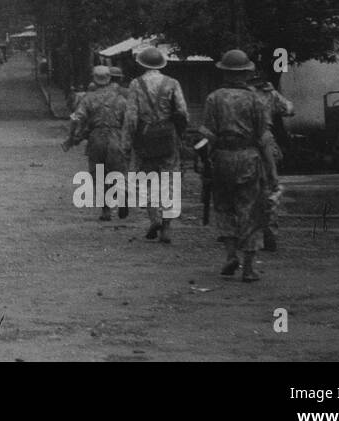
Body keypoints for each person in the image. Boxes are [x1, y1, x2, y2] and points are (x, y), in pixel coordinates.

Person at [198, 50, 270, 282]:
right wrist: (272, 171)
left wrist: (204, 164)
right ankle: (249, 268)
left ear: (224, 72)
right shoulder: (256, 100)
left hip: (221, 158)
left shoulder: (213, 98)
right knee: (250, 209)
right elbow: (263, 137)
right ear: (247, 72)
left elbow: (207, 134)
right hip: (249, 157)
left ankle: (230, 255)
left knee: (224, 206)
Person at [124, 46, 189, 244]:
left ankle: (155, 218)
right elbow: (182, 112)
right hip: (168, 136)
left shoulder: (136, 84)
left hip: (145, 138)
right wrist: (180, 135)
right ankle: (167, 227)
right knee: (169, 182)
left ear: (141, 64)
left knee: (147, 180)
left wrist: (127, 142)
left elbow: (131, 117)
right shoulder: (172, 83)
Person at [63, 65, 130, 220]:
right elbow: (129, 120)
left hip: (96, 137)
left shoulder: (88, 98)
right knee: (119, 170)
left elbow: (77, 118)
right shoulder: (120, 98)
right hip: (116, 135)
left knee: (99, 174)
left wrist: (72, 136)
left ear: (94, 79)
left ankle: (106, 211)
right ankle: (122, 195)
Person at [251, 75, 294, 252]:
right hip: (265, 141)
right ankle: (269, 232)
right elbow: (289, 109)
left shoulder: (234, 93)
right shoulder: (269, 94)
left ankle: (242, 234)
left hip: (240, 145)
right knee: (269, 188)